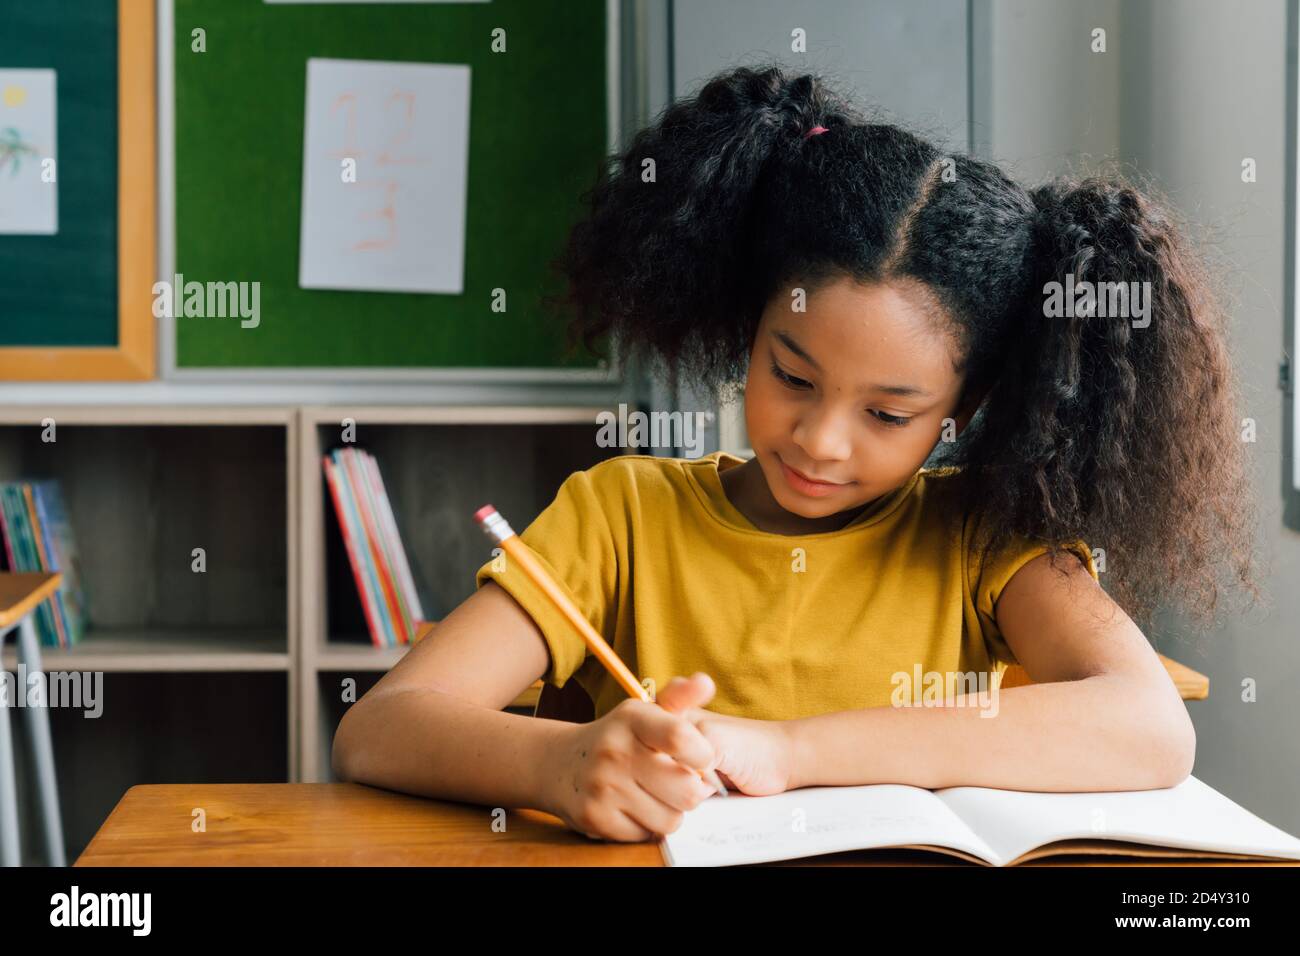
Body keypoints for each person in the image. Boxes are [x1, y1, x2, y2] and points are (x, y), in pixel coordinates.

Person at [333, 65, 1258, 844]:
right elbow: (379, 729)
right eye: (793, 376)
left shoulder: (985, 537)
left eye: (890, 414)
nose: (820, 440)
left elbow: (1147, 727)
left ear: (963, 408)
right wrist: (560, 764)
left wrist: (789, 751)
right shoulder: (622, 515)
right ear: (751, 327)